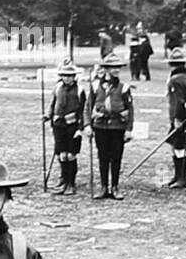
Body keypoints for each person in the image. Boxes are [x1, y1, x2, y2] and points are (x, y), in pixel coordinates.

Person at [86, 51, 133, 200]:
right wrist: (87, 125)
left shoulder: (124, 88)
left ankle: (115, 187)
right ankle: (104, 187)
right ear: (105, 68)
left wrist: (129, 130)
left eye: (118, 67)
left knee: (116, 157)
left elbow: (130, 109)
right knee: (103, 156)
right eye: (112, 67)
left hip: (117, 126)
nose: (116, 70)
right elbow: (88, 107)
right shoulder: (95, 86)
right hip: (100, 126)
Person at [45, 60, 86, 196]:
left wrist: (80, 128)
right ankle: (63, 180)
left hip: (72, 125)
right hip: (58, 125)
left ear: (74, 77)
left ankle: (71, 183)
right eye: (64, 75)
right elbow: (53, 104)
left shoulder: (80, 90)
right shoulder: (57, 88)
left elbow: (83, 110)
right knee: (61, 154)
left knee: (70, 155)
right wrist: (47, 115)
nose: (67, 78)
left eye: (70, 76)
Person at [163, 50, 186, 189]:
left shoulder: (176, 80)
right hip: (182, 117)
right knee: (177, 146)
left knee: (180, 147)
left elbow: (178, 101)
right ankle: (177, 175)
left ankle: (182, 177)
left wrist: (177, 119)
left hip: (179, 118)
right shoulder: (185, 78)